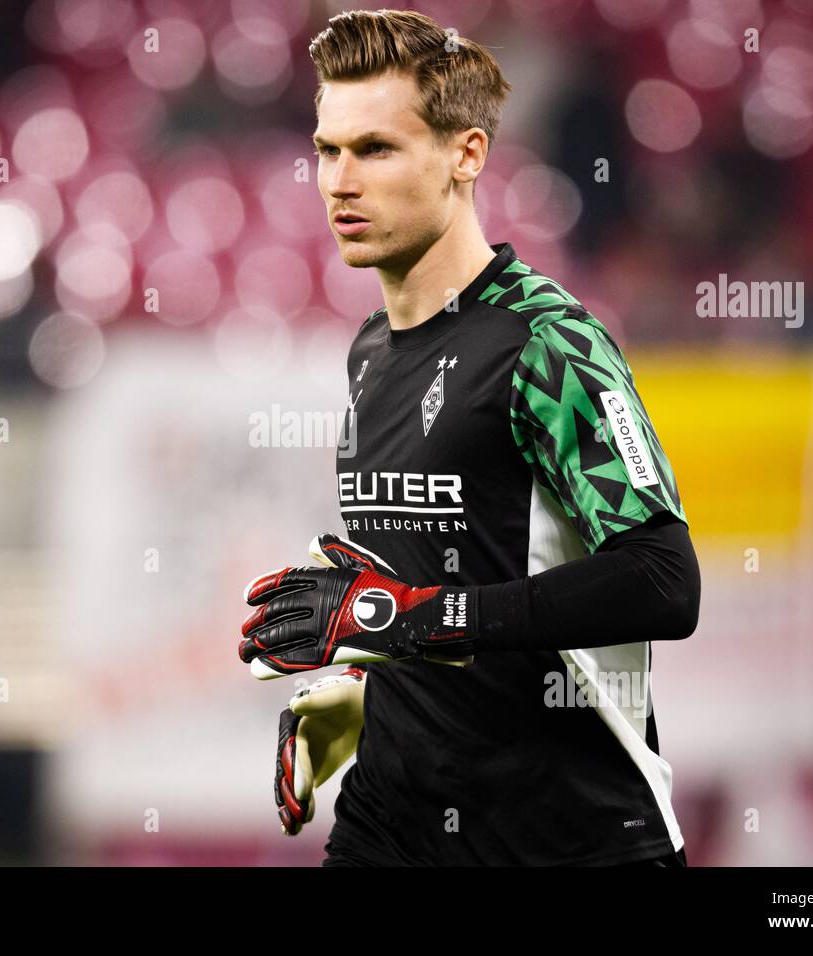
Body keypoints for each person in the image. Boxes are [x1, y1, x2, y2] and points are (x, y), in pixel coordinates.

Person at [240, 9, 701, 867]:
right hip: (389, 828)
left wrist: (408, 619)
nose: (340, 181)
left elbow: (665, 582)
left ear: (467, 155)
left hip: (570, 841)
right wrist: (357, 691)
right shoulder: (371, 352)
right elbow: (414, 585)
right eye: (326, 149)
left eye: (375, 149)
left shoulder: (550, 342)